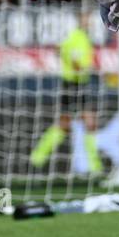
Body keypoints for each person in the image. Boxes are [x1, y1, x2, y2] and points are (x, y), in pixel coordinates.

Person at [31, 23, 104, 175]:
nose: (88, 19)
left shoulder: (81, 37)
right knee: (68, 124)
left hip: (80, 84)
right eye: (86, 16)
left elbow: (59, 50)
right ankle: (37, 158)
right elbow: (76, 63)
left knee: (88, 124)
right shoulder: (76, 37)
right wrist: (84, 68)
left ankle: (95, 167)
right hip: (72, 84)